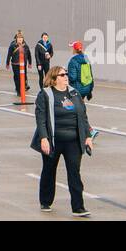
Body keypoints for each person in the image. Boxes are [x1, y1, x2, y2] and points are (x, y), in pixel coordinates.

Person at [30, 67, 94, 216]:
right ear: (54, 78)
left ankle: (78, 207)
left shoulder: (74, 93)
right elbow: (41, 119)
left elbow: (83, 116)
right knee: (49, 170)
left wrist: (88, 136)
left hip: (73, 141)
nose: (66, 77)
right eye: (62, 74)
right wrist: (44, 138)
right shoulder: (45, 94)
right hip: (53, 140)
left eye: (66, 74)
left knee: (74, 173)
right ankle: (45, 201)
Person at [7, 31, 30, 100]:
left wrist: (30, 63)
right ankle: (18, 90)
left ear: (23, 39)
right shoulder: (12, 45)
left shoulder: (25, 45)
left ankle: (23, 88)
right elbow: (9, 55)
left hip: (23, 64)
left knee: (24, 77)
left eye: (21, 38)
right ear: (16, 38)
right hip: (15, 64)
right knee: (17, 77)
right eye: (19, 38)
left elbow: (29, 54)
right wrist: (7, 63)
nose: (20, 39)